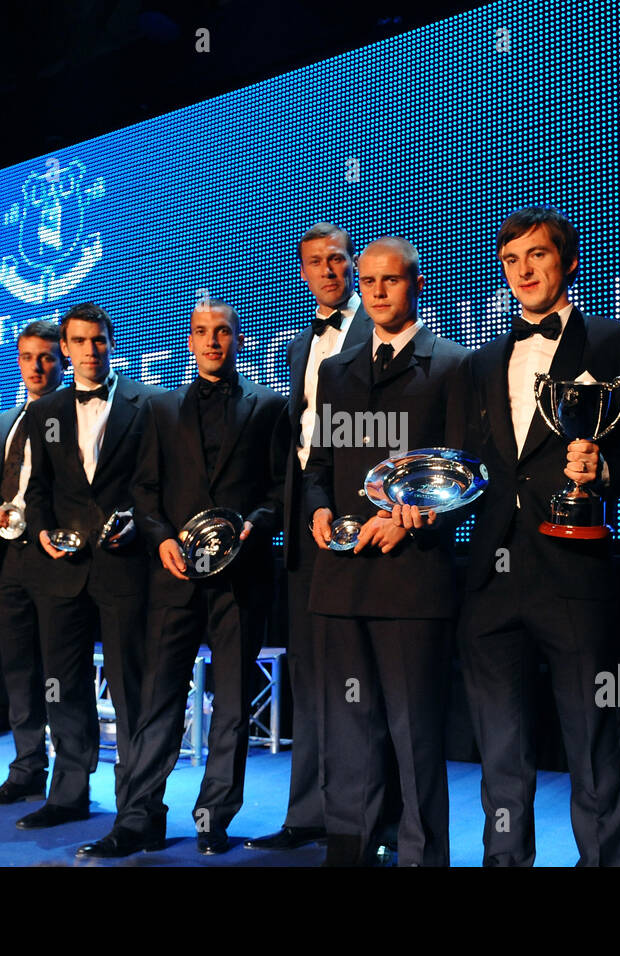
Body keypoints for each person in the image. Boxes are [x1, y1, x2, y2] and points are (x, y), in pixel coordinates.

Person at [456, 206, 620, 866]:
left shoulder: (616, 342)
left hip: (576, 573)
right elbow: (471, 463)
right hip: (491, 580)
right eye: (511, 261)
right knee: (501, 749)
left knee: (593, 741)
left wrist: (606, 468)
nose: (523, 270)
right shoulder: (481, 361)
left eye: (537, 256)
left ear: (567, 262)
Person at [81, 299, 288, 858]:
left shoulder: (269, 406)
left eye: (223, 331)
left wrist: (253, 525)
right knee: (158, 701)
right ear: (191, 341)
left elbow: (279, 493)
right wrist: (164, 539)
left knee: (233, 703)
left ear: (241, 339)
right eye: (202, 332)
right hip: (174, 577)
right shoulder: (161, 408)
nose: (213, 341)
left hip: (240, 578)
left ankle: (212, 817)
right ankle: (138, 817)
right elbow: (143, 492)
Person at [306, 236, 469, 866]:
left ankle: (422, 858)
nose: (375, 291)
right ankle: (349, 851)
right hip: (340, 578)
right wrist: (319, 507)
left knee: (414, 736)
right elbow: (318, 465)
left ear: (416, 285)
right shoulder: (335, 370)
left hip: (412, 581)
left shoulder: (450, 365)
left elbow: (464, 475)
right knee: (349, 733)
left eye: (390, 281)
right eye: (367, 281)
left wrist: (414, 523)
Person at [246, 222, 374, 852]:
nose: (329, 271)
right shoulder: (299, 346)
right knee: (312, 673)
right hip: (304, 524)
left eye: (339, 260)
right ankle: (306, 815)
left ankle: (362, 822)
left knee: (359, 676)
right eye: (316, 263)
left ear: (352, 267)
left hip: (362, 519)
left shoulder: (376, 329)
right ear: (302, 273)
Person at [17, 301, 162, 832]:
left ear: (112, 341)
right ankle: (69, 793)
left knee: (130, 689)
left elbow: (155, 488)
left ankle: (137, 803)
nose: (90, 350)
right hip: (61, 570)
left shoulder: (147, 404)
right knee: (63, 684)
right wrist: (41, 534)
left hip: (125, 568)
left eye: (98, 340)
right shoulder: (44, 413)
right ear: (66, 348)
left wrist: (139, 525)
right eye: (79, 342)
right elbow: (37, 494)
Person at [0, 320, 63, 807]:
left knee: (58, 674)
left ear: (62, 359)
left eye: (46, 357)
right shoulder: (4, 420)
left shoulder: (74, 415)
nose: (36, 367)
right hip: (6, 562)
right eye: (27, 357)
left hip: (55, 560)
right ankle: (26, 769)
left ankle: (69, 782)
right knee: (20, 669)